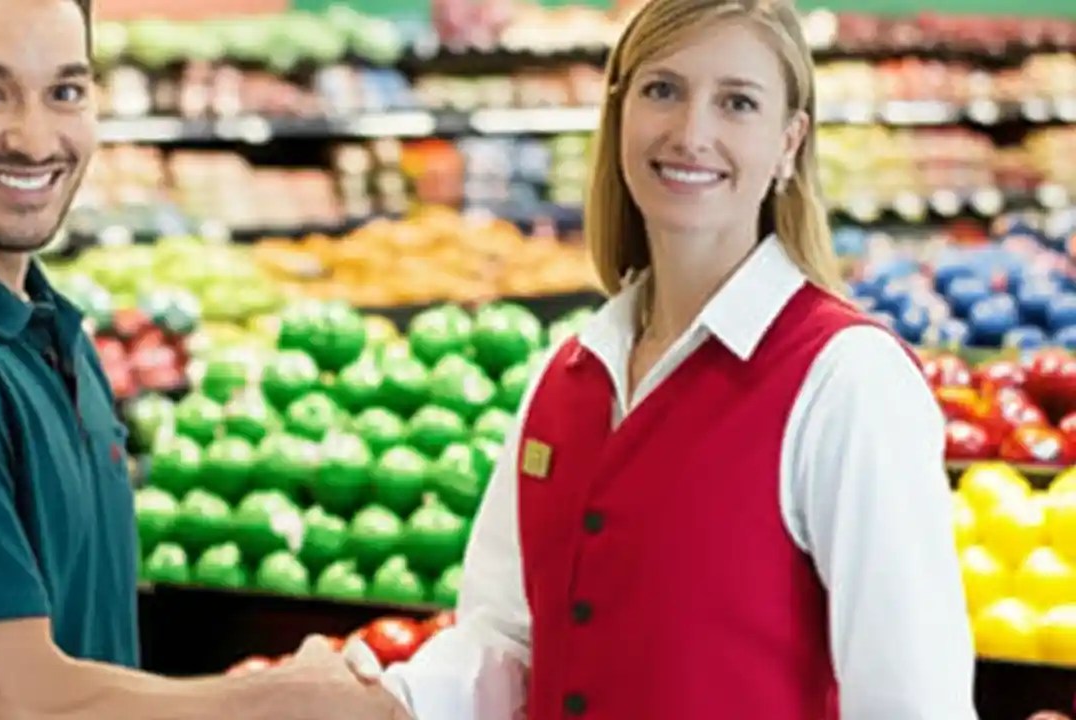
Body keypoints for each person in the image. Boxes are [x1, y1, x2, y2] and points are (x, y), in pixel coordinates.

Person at [0, 1, 408, 719]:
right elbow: (19, 707)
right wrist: (279, 697)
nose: (33, 139)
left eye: (65, 91)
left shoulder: (43, 325)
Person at [369, 0, 980, 718]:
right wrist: (371, 700)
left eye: (737, 102)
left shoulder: (848, 381)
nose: (692, 133)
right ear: (619, 113)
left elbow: (910, 703)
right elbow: (505, 636)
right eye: (663, 89)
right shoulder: (567, 375)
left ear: (789, 142)